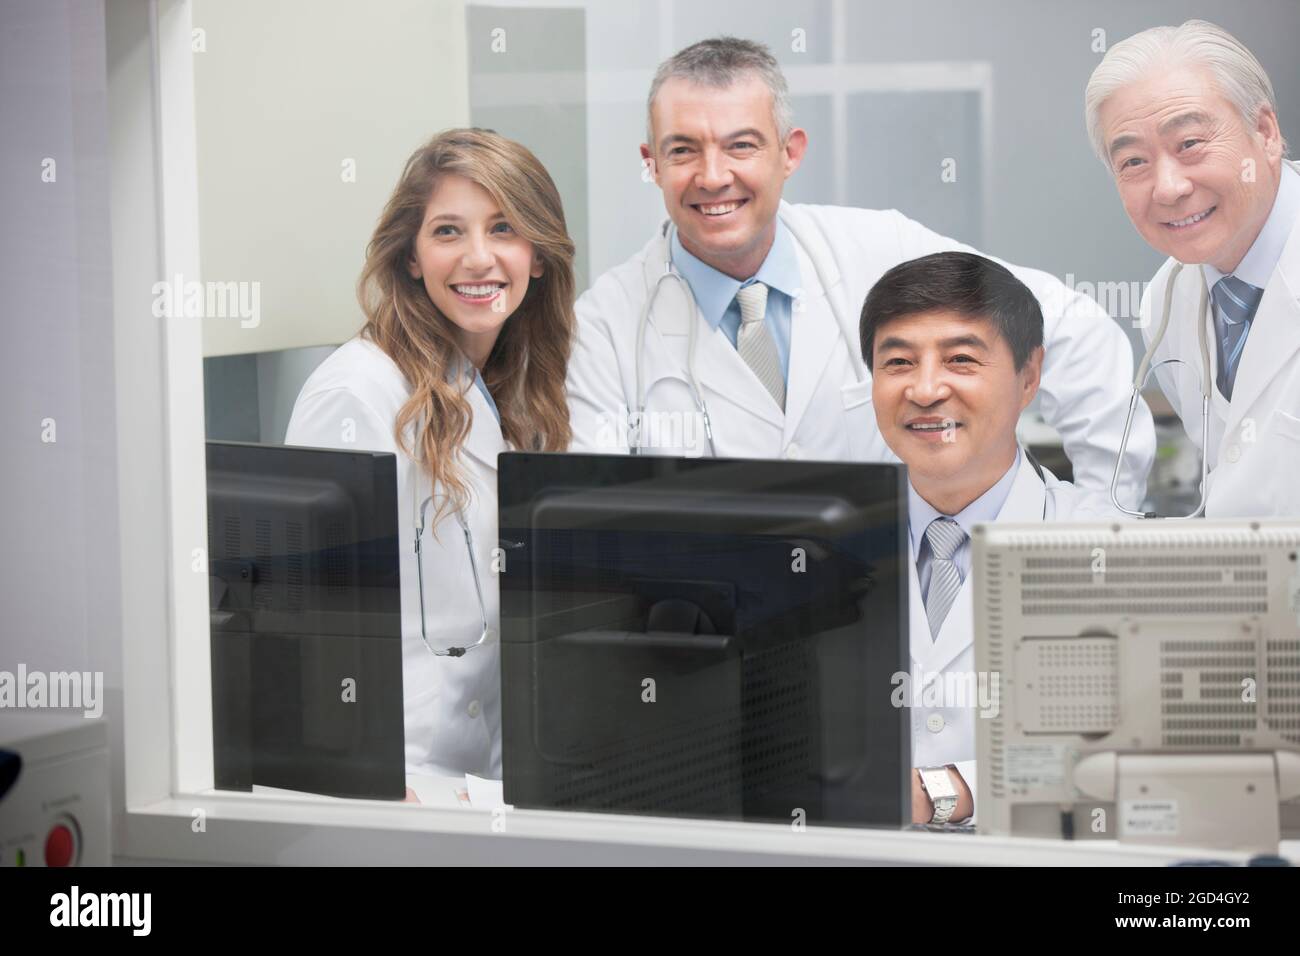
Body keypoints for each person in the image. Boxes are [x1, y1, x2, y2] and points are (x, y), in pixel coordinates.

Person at [568, 35, 1155, 509]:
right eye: (682, 150)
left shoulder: (881, 249)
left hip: (891, 620)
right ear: (651, 164)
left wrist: (1099, 526)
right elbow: (591, 519)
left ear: (790, 152)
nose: (713, 175)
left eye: (741, 145)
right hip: (711, 639)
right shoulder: (604, 326)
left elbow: (1077, 334)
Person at [285, 129, 575, 777]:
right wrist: (366, 781)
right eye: (448, 232)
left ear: (538, 254)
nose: (479, 258)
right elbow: (310, 625)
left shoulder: (511, 384)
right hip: (400, 775)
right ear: (411, 257)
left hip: (483, 772)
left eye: (504, 228)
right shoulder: (358, 394)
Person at [860, 251, 1119, 825]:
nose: (925, 390)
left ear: (1029, 377)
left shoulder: (1109, 547)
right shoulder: (820, 551)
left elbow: (1148, 752)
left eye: (960, 359)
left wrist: (947, 790)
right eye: (898, 362)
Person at [1086, 19, 1300, 517]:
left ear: (1265, 133)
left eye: (1190, 144)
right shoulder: (1165, 301)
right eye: (1133, 161)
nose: (1168, 187)